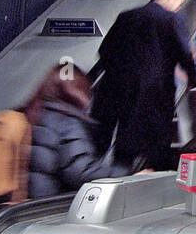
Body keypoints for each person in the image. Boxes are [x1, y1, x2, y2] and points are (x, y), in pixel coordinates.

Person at [92, 0, 196, 171]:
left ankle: (115, 179)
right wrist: (192, 80)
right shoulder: (171, 20)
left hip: (116, 88)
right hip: (155, 92)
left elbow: (105, 50)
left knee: (123, 145)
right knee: (157, 145)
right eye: (179, 4)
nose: (178, 8)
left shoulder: (126, 16)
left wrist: (120, 72)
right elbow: (184, 55)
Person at [24, 67, 140, 198]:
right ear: (78, 90)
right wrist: (131, 174)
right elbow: (80, 172)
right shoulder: (67, 123)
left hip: (33, 204)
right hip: (52, 207)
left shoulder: (38, 115)